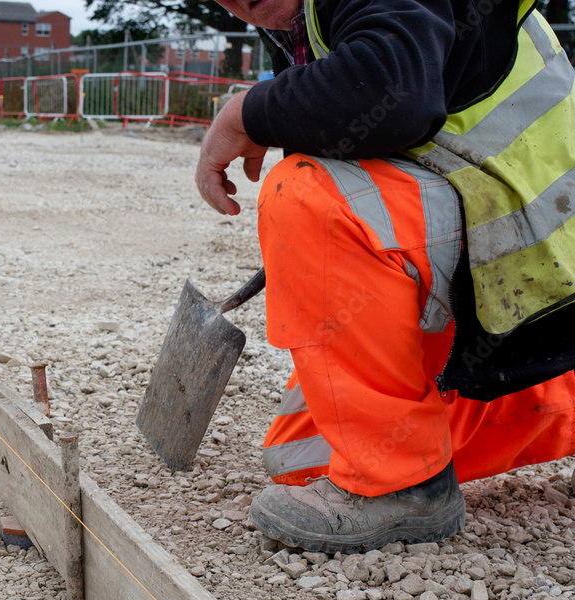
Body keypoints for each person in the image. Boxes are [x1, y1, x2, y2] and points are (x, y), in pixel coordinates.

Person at [195, 0, 575, 553]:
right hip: (521, 270)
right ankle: (553, 400)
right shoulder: (308, 24)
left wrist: (244, 113)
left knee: (300, 196)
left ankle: (402, 485)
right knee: (301, 458)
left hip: (538, 237)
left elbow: (389, 91)